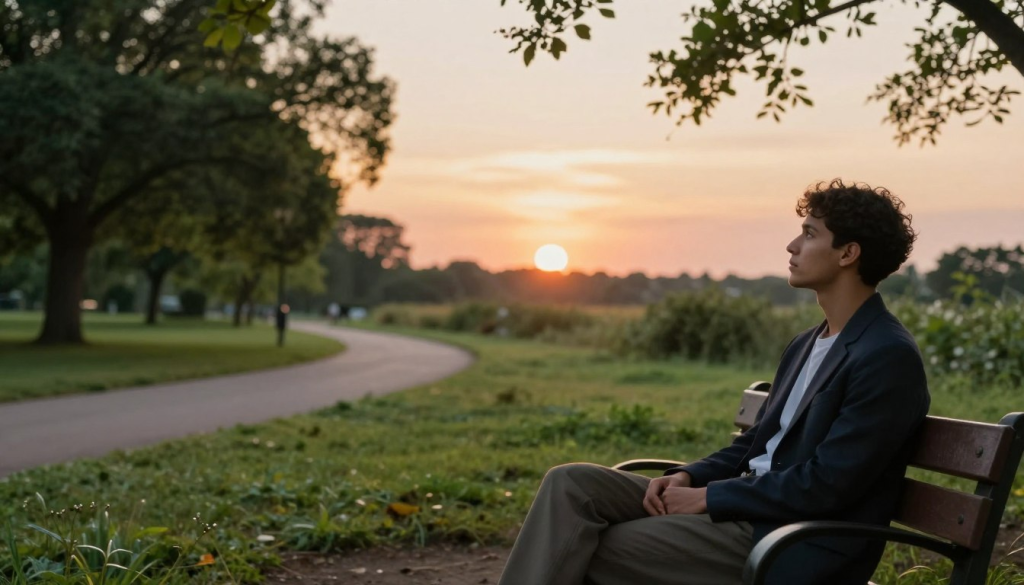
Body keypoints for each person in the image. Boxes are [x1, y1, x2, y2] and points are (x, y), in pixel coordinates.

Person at [497, 179, 930, 585]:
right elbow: (759, 442)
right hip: (748, 510)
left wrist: (710, 498)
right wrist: (688, 477)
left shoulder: (885, 355)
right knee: (569, 483)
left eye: (810, 234)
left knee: (600, 545)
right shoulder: (807, 343)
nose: (792, 245)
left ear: (847, 253)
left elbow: (828, 484)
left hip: (792, 537)